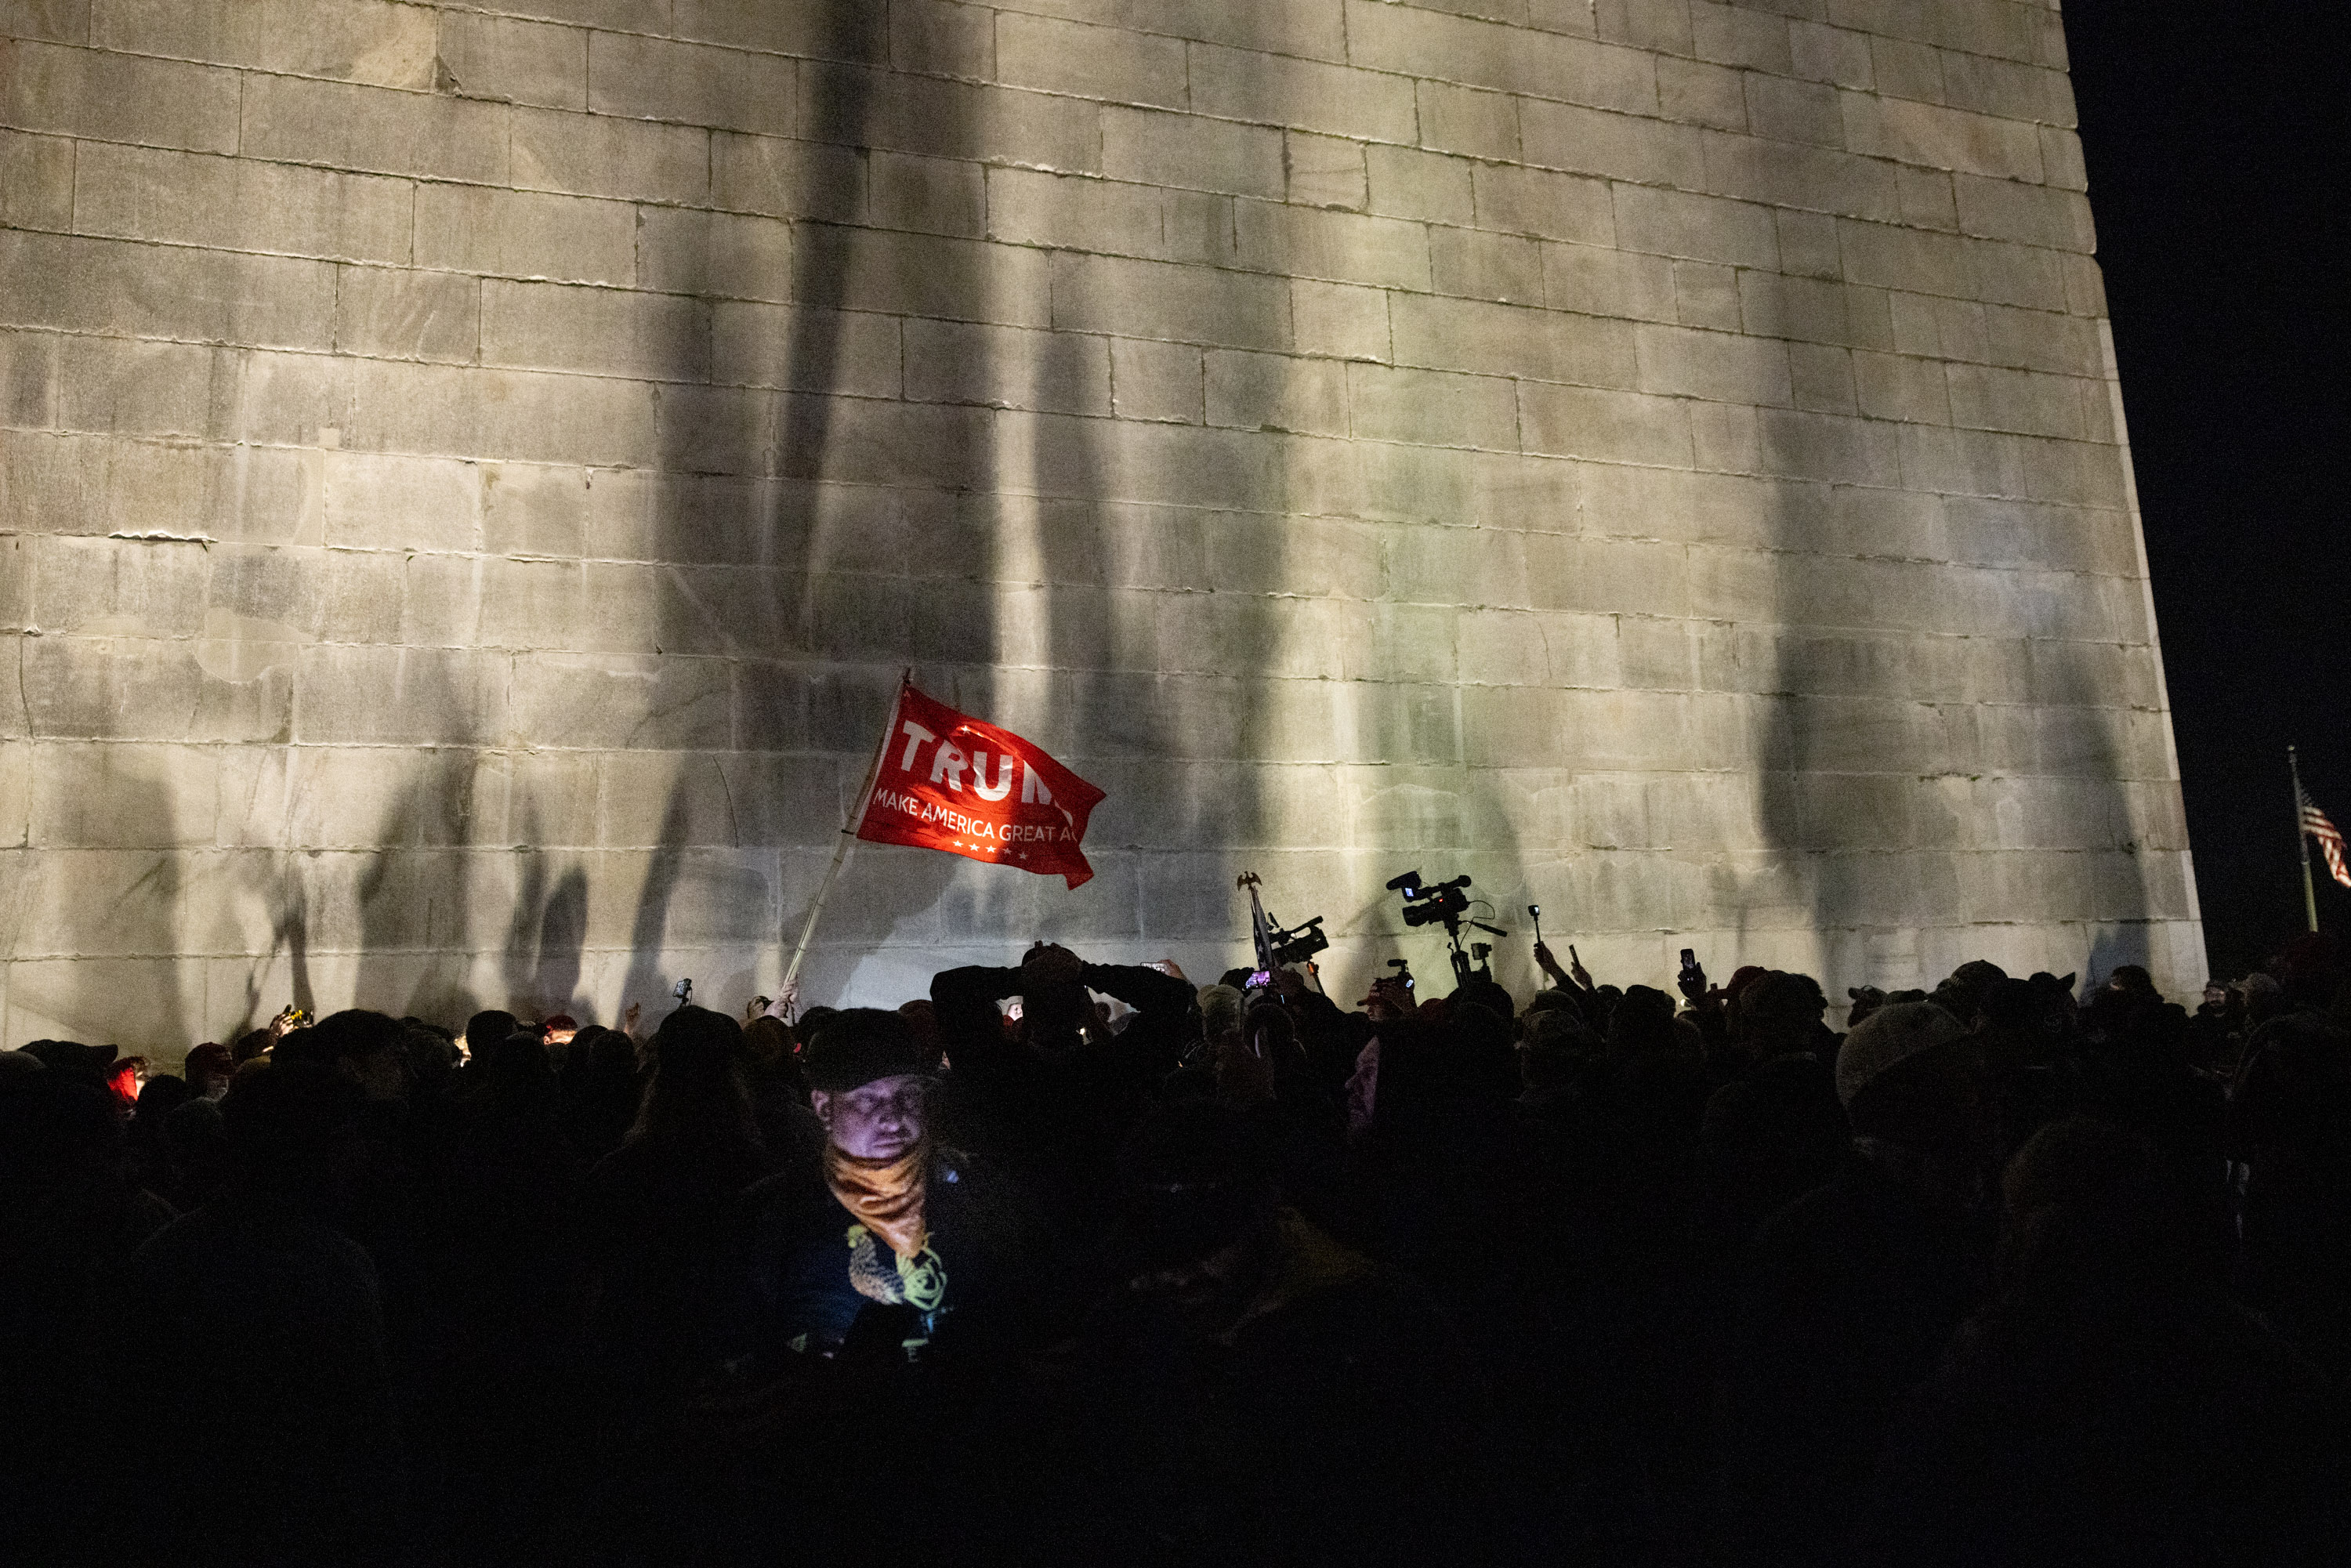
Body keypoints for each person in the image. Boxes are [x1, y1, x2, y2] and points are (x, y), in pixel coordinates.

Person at [1716, 1001, 1994, 1566]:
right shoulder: (1808, 1242)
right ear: (1897, 1099)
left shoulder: (1986, 1208)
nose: (1986, 1100)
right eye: (1961, 1083)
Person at [738, 1008, 1038, 1364]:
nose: (893, 1119)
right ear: (823, 1106)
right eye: (868, 1098)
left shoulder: (976, 1189)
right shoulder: (775, 1214)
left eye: (907, 1096)